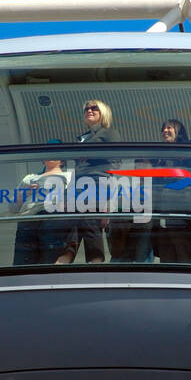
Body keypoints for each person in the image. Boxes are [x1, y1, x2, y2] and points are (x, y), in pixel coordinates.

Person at [56, 99, 120, 264]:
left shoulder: (108, 133)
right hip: (78, 185)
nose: (89, 111)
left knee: (90, 223)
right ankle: (65, 258)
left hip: (96, 183)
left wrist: (109, 197)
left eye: (94, 108)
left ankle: (95, 262)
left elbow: (115, 164)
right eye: (86, 109)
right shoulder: (83, 137)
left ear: (103, 112)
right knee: (72, 222)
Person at [151, 118, 191, 264]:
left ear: (178, 131)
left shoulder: (190, 148)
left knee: (185, 254)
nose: (165, 131)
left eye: (169, 128)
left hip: (182, 214)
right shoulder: (158, 156)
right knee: (167, 257)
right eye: (163, 129)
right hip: (162, 214)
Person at [12, 157, 71, 266]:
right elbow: (13, 208)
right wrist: (25, 193)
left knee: (49, 262)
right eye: (48, 153)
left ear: (62, 160)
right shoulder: (29, 178)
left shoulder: (69, 176)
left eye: (55, 153)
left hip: (54, 219)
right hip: (27, 220)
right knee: (23, 263)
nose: (50, 156)